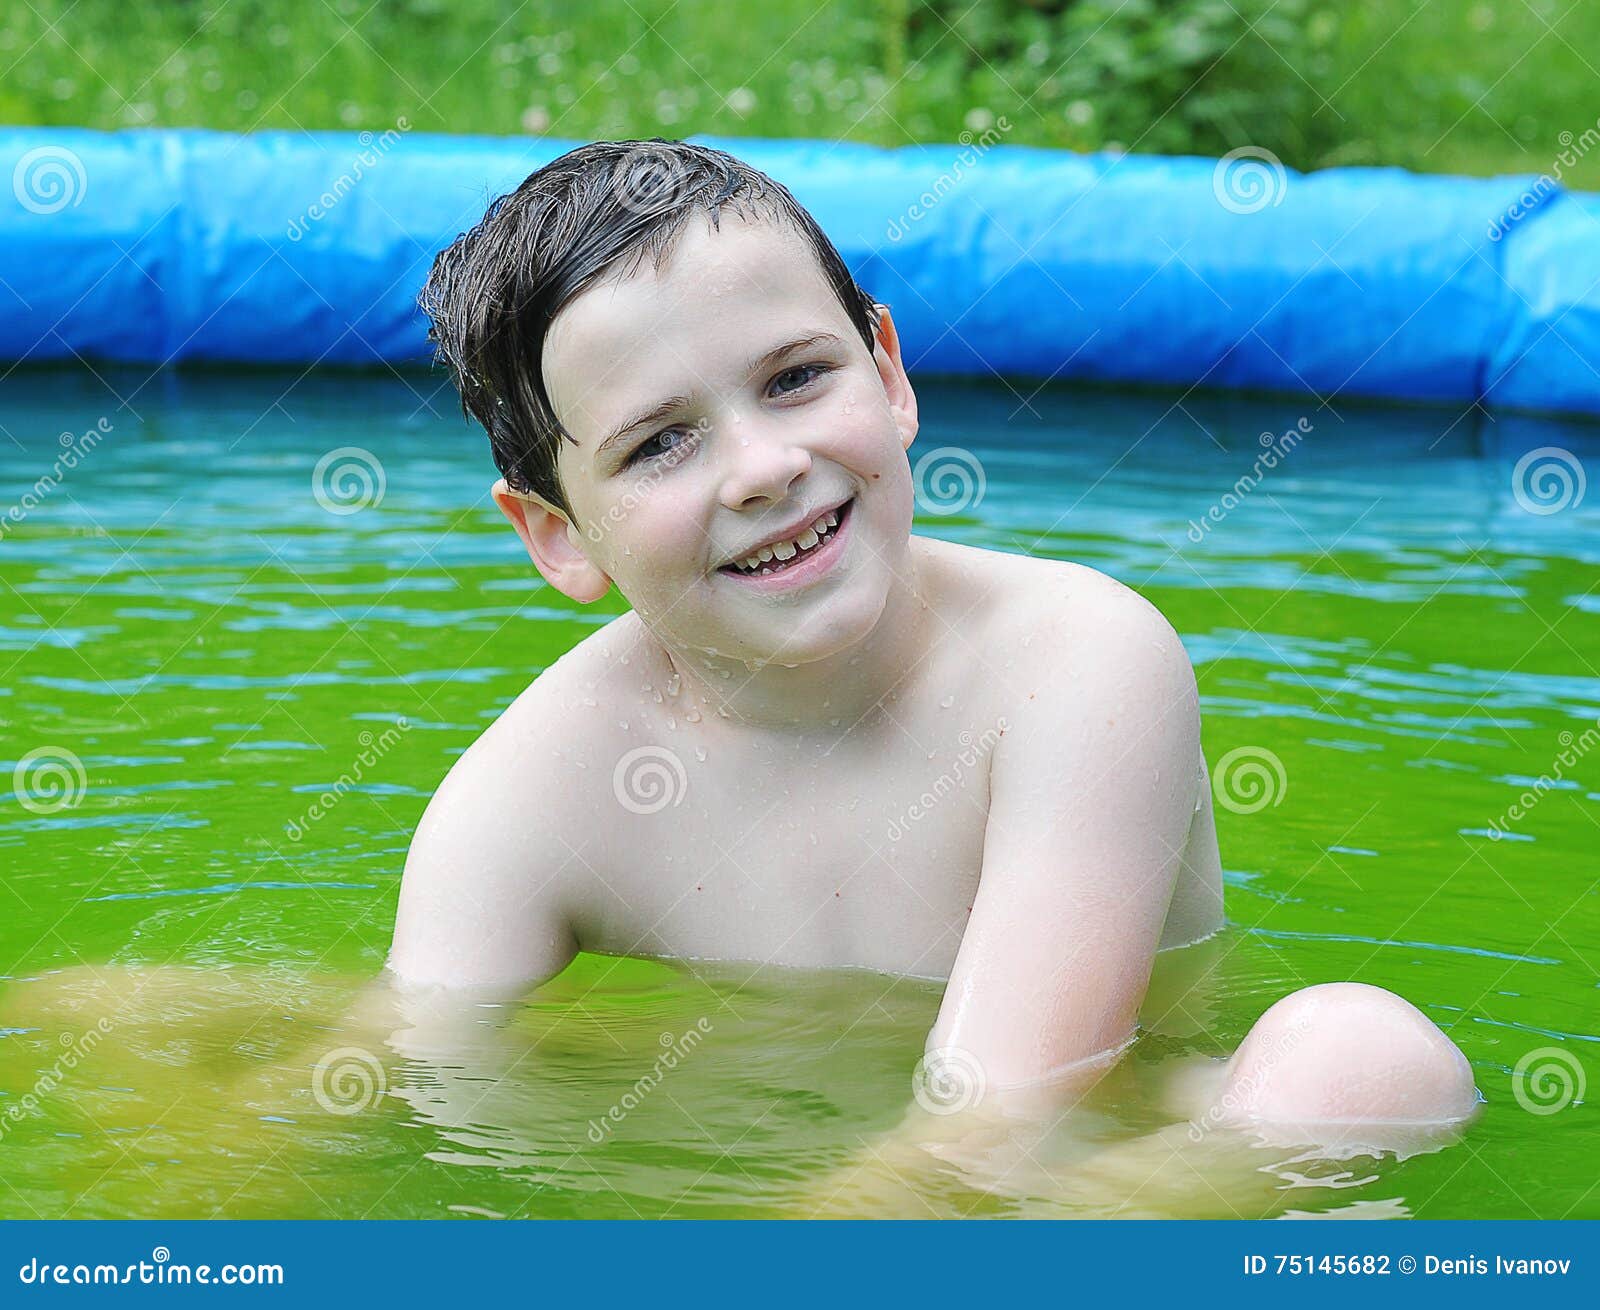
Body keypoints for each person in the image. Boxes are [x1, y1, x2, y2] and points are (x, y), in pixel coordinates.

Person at [392, 138, 1478, 1143]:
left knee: (1357, 1061)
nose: (765, 466)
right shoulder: (531, 792)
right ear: (557, 536)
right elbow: (419, 1083)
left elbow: (1000, 1124)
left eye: (795, 378)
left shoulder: (1074, 660)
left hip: (1090, 1159)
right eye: (661, 442)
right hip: (762, 1139)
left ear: (889, 371)